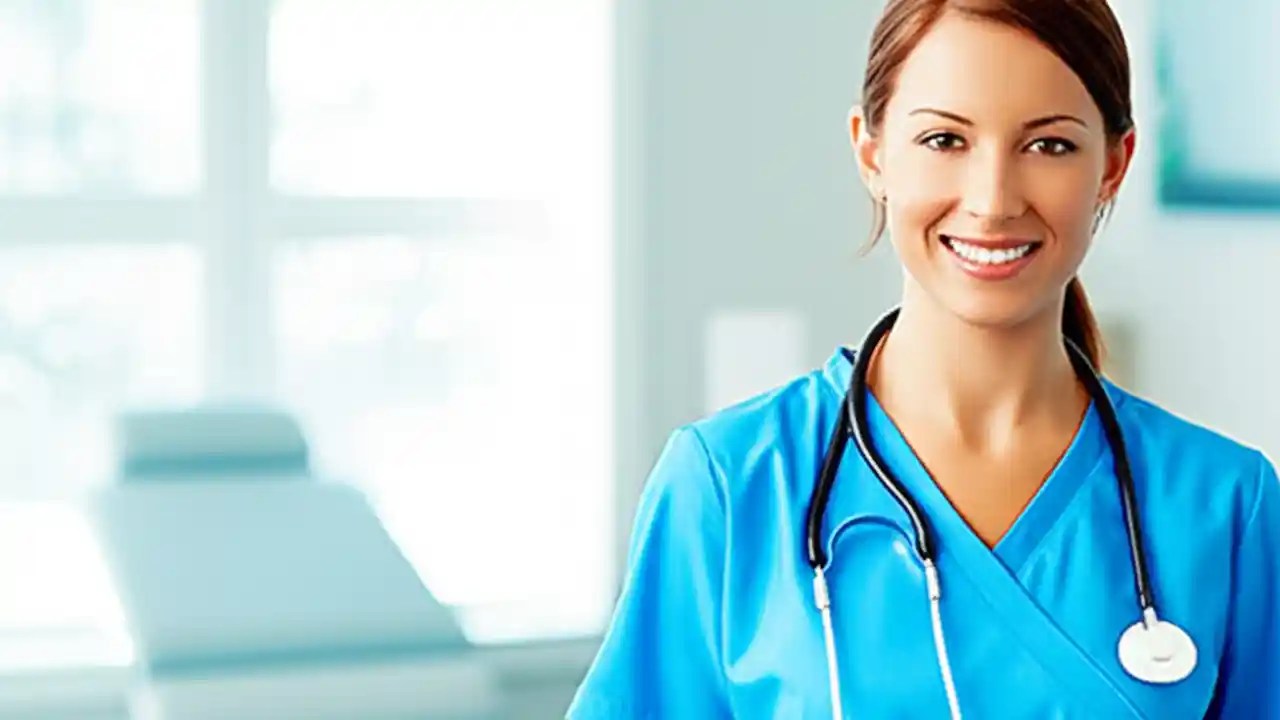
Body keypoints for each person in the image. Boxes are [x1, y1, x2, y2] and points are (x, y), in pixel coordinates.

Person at [568, 0, 1280, 717]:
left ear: (1114, 166)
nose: (993, 200)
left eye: (1049, 146)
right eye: (945, 140)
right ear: (872, 153)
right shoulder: (731, 485)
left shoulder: (1226, 504)